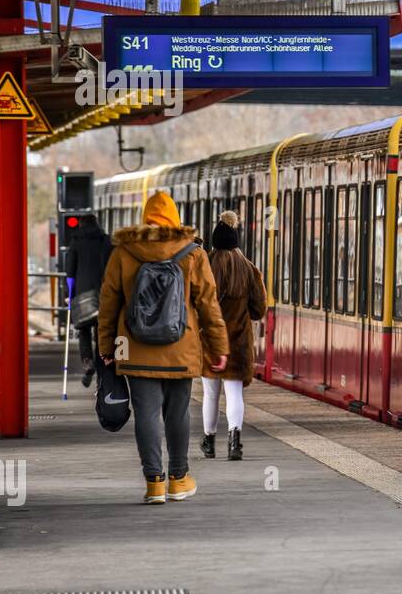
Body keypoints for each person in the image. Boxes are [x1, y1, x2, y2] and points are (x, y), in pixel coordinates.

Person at [98, 192, 229, 505]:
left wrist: (106, 347)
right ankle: (179, 478)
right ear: (175, 218)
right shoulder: (193, 253)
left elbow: (108, 302)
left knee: (146, 414)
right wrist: (218, 347)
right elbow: (208, 305)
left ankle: (154, 483)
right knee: (178, 412)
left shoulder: (124, 252)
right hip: (180, 348)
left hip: (134, 347)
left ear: (146, 218)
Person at [200, 211, 266, 461]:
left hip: (210, 342)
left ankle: (209, 441)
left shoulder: (205, 266)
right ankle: (234, 442)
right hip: (238, 344)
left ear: (215, 243)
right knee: (234, 393)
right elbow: (259, 310)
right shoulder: (249, 270)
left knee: (210, 394)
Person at [63, 213, 112, 387]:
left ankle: (87, 362)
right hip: (103, 294)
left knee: (83, 330)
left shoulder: (76, 242)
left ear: (81, 225)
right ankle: (101, 368)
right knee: (101, 332)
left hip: (82, 294)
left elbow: (70, 271)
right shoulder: (106, 240)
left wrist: (68, 294)